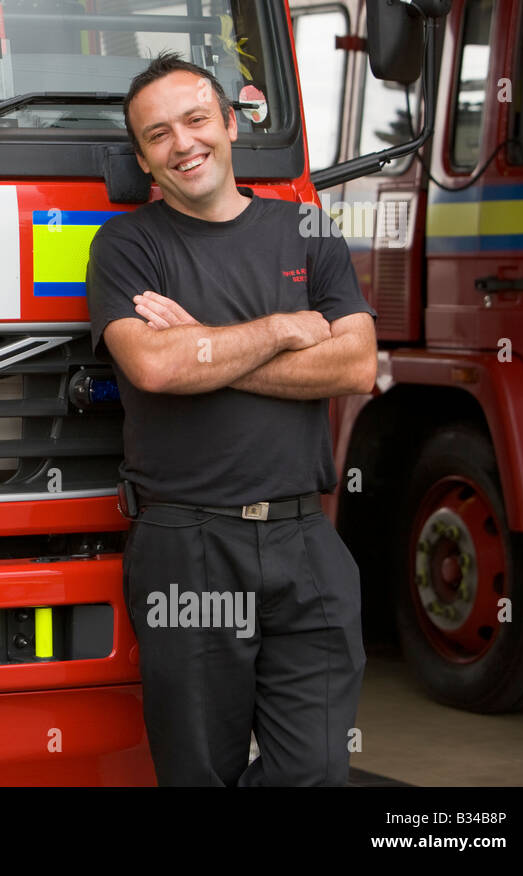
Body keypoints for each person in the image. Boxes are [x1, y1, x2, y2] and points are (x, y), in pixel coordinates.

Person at [86, 52, 377, 786]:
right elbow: (155, 369)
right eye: (157, 136)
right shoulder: (126, 246)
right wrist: (285, 327)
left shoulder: (308, 229)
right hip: (189, 543)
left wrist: (205, 343)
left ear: (228, 124)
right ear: (146, 161)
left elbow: (354, 368)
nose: (183, 143)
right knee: (199, 774)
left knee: (314, 769)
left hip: (306, 540)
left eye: (194, 120)